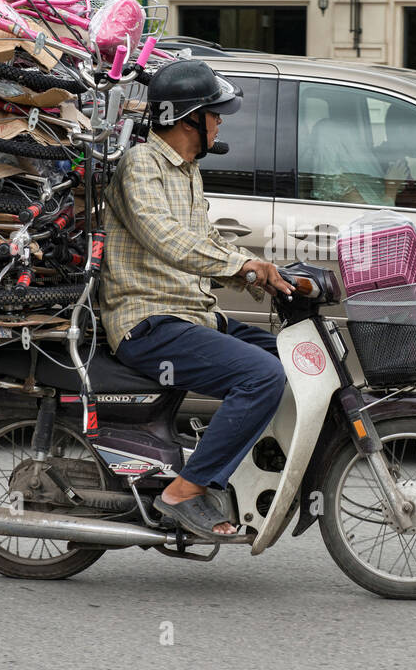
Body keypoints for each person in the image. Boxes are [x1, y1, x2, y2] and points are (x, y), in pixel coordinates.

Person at [99, 60, 294, 539]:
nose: (221, 122)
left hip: (193, 315)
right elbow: (163, 237)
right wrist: (240, 266)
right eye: (215, 114)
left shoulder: (186, 172)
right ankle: (185, 490)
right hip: (148, 322)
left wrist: (264, 275)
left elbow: (208, 242)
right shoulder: (141, 164)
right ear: (190, 119)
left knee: (292, 357)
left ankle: (240, 469)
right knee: (260, 375)